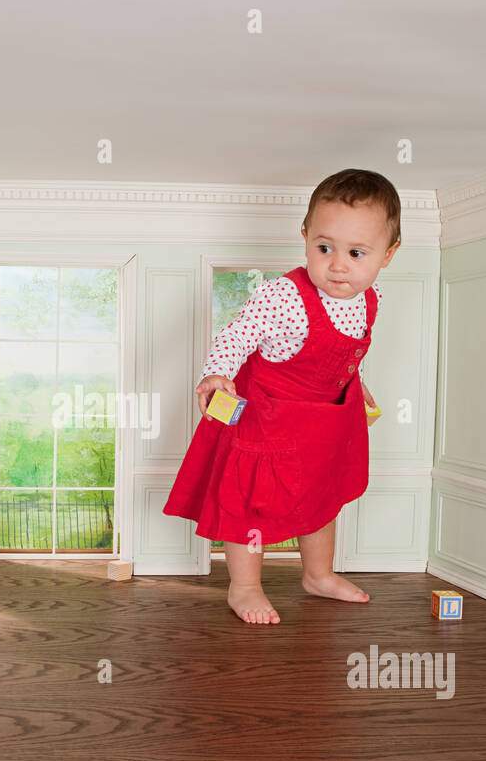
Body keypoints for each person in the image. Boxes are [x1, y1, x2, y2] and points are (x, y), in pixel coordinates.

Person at [162, 168, 401, 625]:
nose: (337, 265)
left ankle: (318, 575)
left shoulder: (370, 300)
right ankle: (245, 585)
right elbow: (238, 335)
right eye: (324, 247)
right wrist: (217, 374)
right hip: (267, 419)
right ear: (305, 236)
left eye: (356, 253)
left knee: (323, 495)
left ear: (388, 254)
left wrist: (356, 380)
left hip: (324, 422)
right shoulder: (284, 297)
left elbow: (344, 352)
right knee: (250, 501)